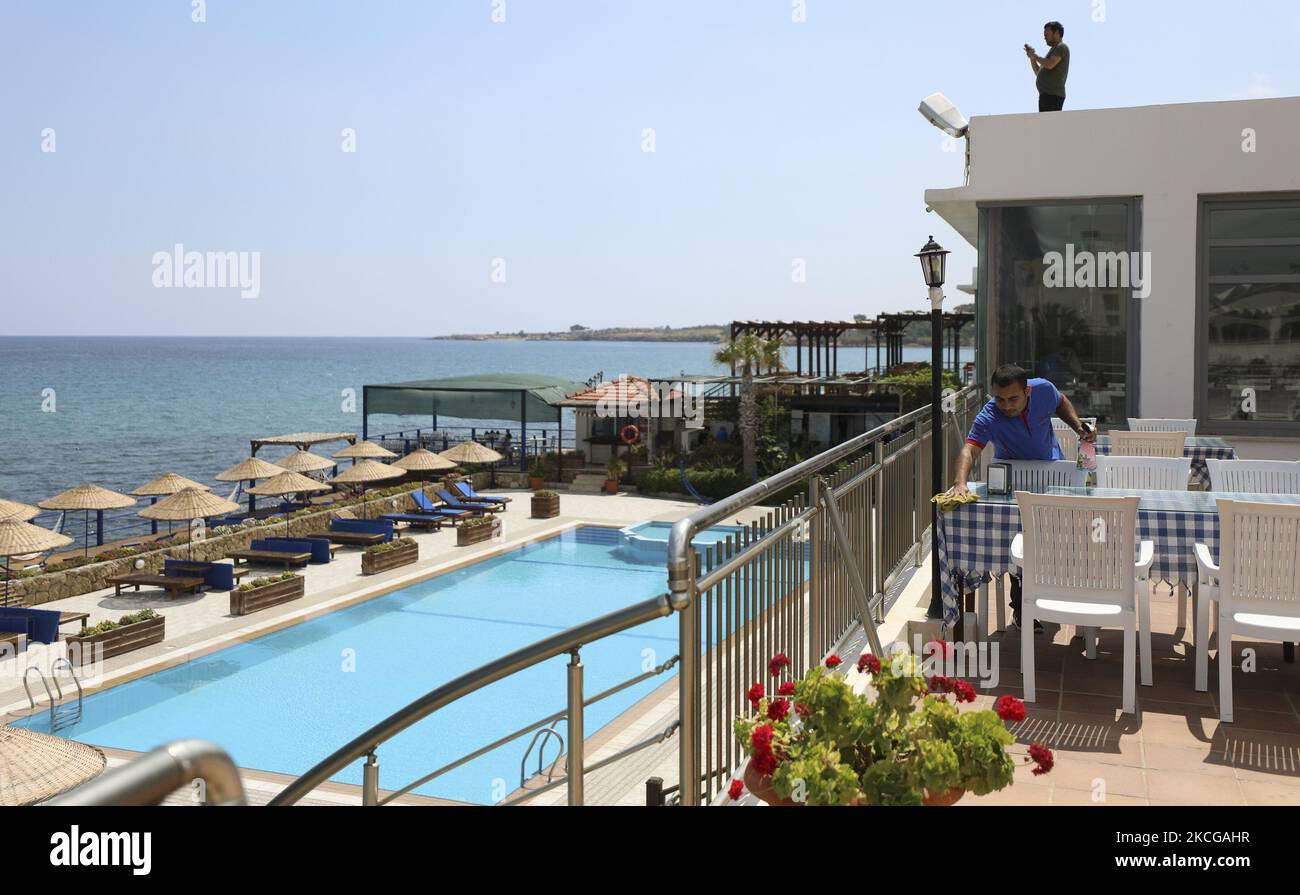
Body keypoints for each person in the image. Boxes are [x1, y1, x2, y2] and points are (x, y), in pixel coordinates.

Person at [945, 364, 1096, 629]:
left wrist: (1076, 426)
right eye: (999, 399)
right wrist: (960, 482)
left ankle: (1058, 598)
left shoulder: (1044, 389)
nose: (1006, 406)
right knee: (1018, 539)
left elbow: (1061, 402)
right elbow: (969, 450)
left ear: (1027, 391)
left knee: (1060, 538)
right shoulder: (989, 415)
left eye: (1013, 398)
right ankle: (1023, 608)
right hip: (1014, 478)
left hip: (1053, 473)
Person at [1024, 21, 1069, 112]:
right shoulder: (1053, 50)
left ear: (1056, 33)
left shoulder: (1061, 47)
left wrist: (1035, 55)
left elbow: (1049, 64)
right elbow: (1038, 71)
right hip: (1046, 96)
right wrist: (1032, 57)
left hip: (1053, 96)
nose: (1045, 37)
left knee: (1050, 124)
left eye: (1047, 34)